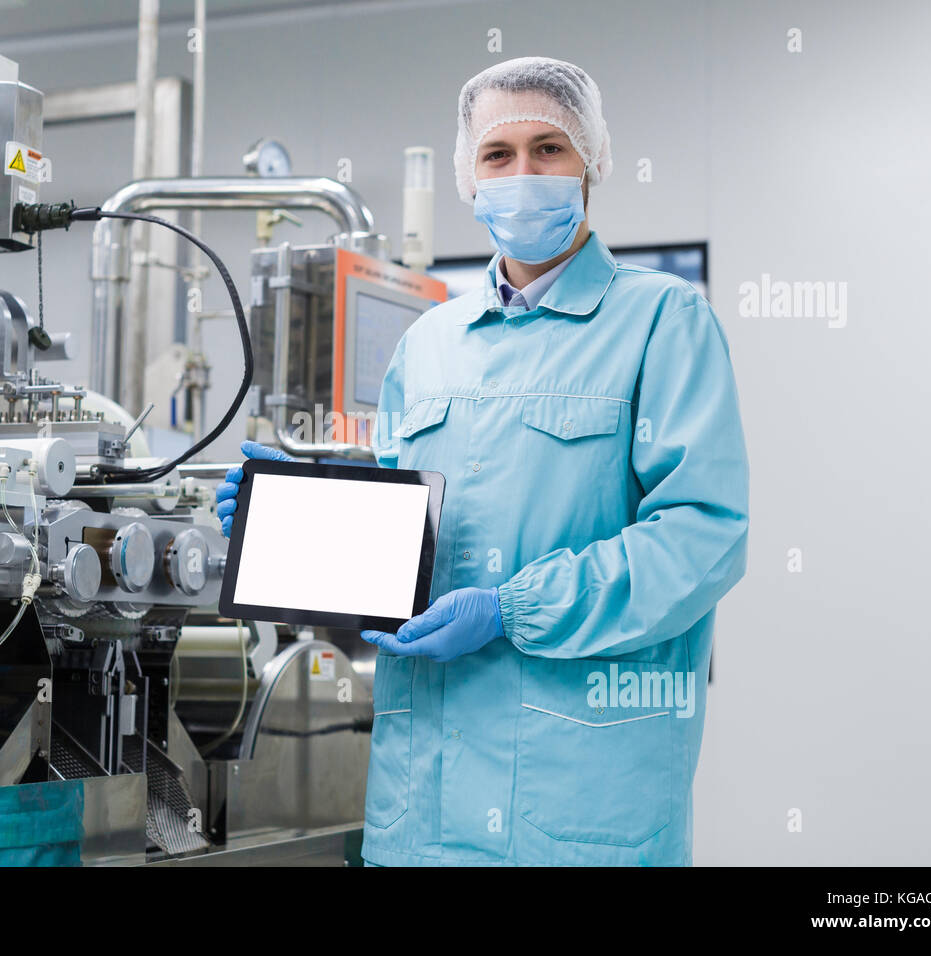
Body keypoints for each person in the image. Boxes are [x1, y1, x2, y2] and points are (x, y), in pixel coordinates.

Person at [216, 57, 748, 866]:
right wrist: (306, 527)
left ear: (592, 165)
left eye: (549, 149)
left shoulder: (662, 323)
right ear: (471, 176)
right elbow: (409, 561)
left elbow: (702, 540)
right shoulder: (428, 345)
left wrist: (513, 609)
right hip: (419, 815)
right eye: (499, 155)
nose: (524, 173)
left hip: (576, 819)